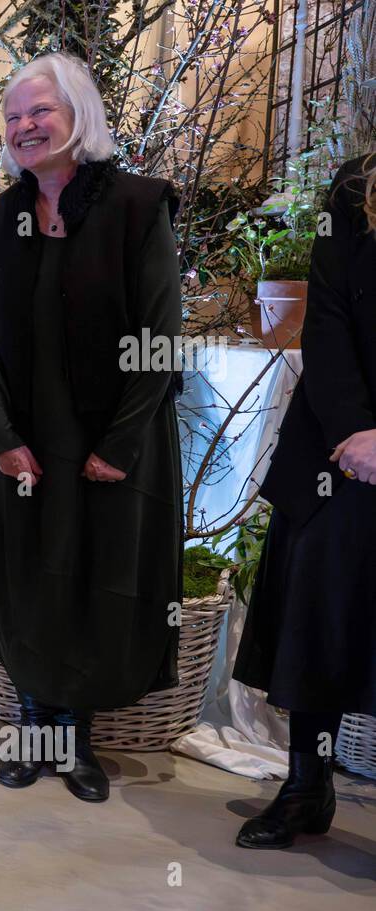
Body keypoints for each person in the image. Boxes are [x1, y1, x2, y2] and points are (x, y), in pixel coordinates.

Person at [0, 52, 183, 803]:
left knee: (94, 582)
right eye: (14, 116)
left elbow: (160, 335)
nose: (25, 126)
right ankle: (33, 729)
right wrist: (0, 438)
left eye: (41, 111)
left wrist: (120, 446)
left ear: (78, 116)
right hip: (25, 444)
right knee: (26, 580)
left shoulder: (137, 203)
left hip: (112, 443)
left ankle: (77, 739)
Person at [231, 153, 376, 849]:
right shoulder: (357, 184)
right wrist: (356, 428)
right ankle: (305, 785)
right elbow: (328, 316)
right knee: (319, 605)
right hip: (339, 443)